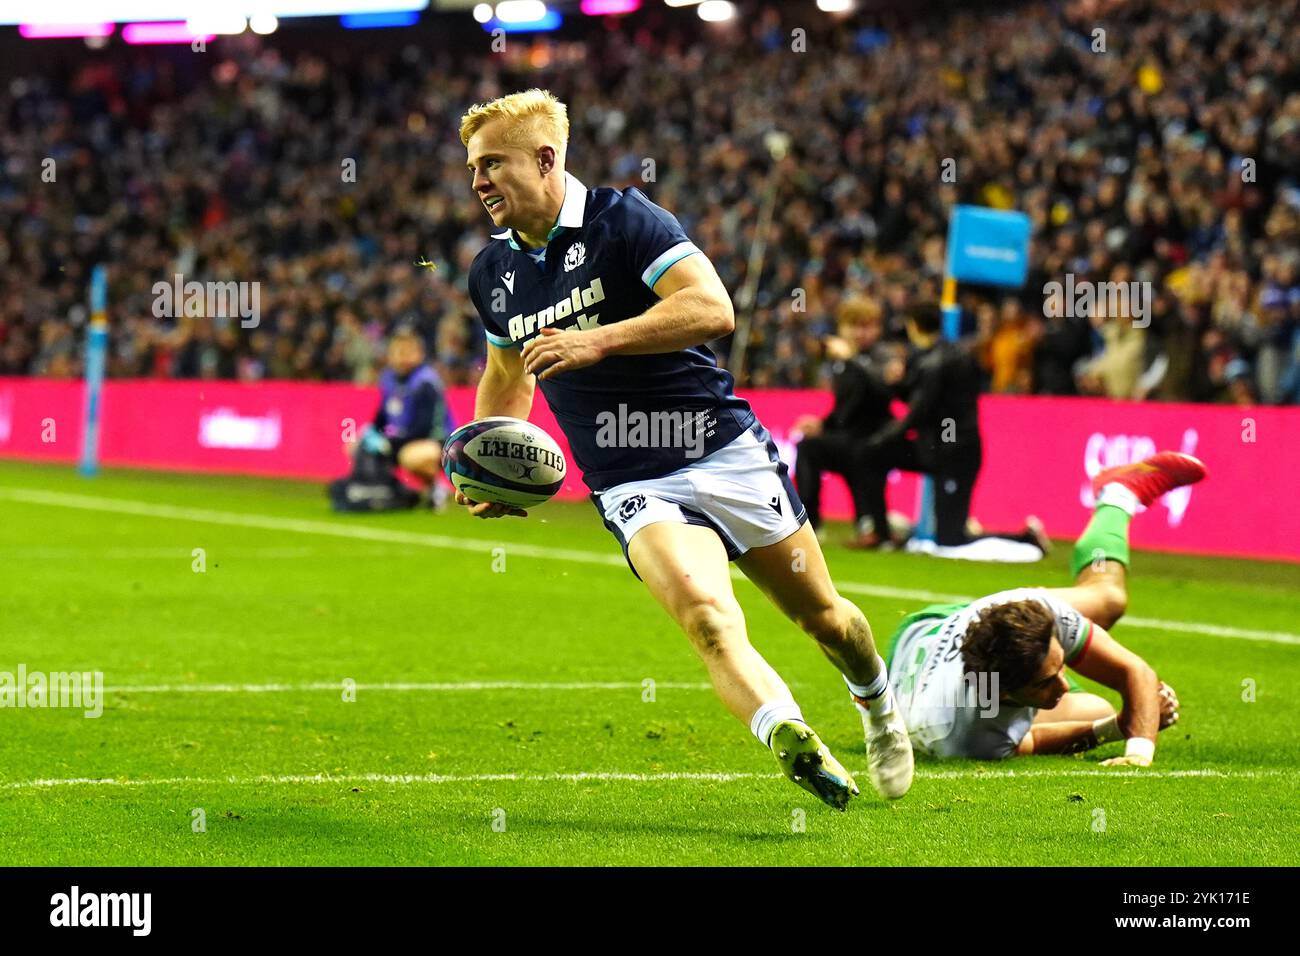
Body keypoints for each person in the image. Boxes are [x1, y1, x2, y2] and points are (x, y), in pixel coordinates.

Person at [458, 88, 913, 809]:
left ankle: (878, 704)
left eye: (492, 163)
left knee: (826, 618)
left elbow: (713, 308)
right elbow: (506, 373)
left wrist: (596, 339)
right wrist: (487, 457)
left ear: (545, 158)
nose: (478, 180)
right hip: (630, 479)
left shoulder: (627, 220)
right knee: (705, 616)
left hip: (722, 449)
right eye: (473, 167)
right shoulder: (493, 273)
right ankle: (790, 734)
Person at [887, 452, 1205, 762]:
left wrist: (1139, 750)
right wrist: (1120, 726)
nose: (1063, 685)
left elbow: (1135, 672)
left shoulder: (1037, 615)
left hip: (936, 626)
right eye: (1045, 682)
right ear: (1004, 695)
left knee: (1108, 599)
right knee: (1097, 711)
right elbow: (1032, 739)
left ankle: (1118, 494)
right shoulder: (969, 737)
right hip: (913, 669)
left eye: (1060, 667)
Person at [861, 303, 1049, 560]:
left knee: (950, 540)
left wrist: (879, 439)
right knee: (875, 456)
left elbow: (918, 411)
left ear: (913, 326)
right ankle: (881, 534)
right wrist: (895, 387)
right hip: (941, 449)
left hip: (954, 454)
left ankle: (1026, 539)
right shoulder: (940, 355)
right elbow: (918, 397)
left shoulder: (936, 361)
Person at [792, 297, 897, 543]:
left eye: (867, 325)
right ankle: (809, 525)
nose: (861, 332)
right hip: (850, 439)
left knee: (859, 455)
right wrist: (822, 424)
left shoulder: (883, 356)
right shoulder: (841, 362)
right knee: (809, 448)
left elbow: (883, 393)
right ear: (842, 328)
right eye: (854, 326)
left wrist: (852, 359)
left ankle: (871, 524)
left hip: (876, 438)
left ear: (878, 328)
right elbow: (846, 409)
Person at [349, 326, 453, 502]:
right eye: (397, 352)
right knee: (354, 444)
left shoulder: (425, 382)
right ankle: (388, 489)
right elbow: (382, 416)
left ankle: (435, 487)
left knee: (411, 457)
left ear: (419, 354)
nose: (401, 357)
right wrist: (370, 434)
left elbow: (422, 428)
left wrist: (389, 443)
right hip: (401, 440)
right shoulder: (388, 379)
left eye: (407, 352)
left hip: (437, 442)